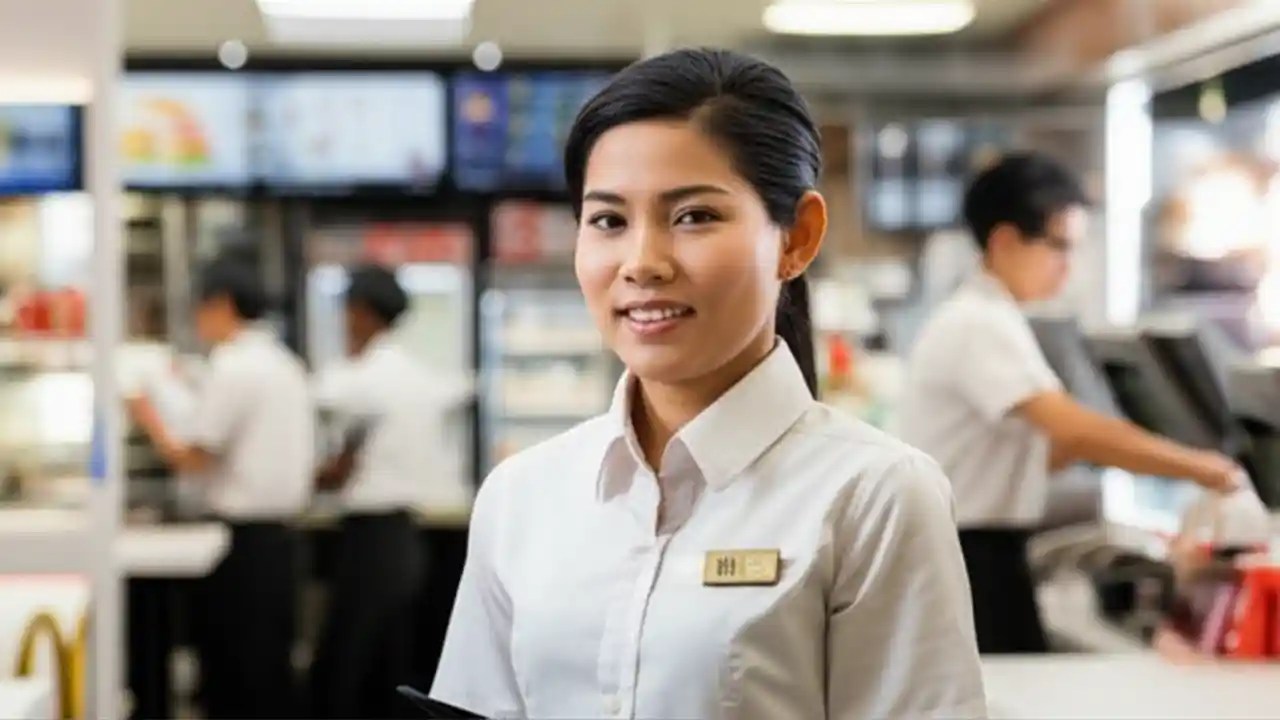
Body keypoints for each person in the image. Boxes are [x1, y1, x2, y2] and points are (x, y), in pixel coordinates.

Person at [430, 48, 986, 719]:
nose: (642, 263)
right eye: (608, 220)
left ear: (797, 237)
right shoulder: (522, 497)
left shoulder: (875, 497)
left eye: (693, 216)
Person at [899, 153, 1242, 655]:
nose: (1068, 267)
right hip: (973, 557)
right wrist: (1208, 470)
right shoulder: (979, 323)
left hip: (984, 552)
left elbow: (1056, 449)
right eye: (1059, 246)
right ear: (1006, 241)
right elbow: (1074, 431)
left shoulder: (993, 317)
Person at [129, 258, 313, 718]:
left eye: (200, 309)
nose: (197, 321)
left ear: (223, 306)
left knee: (235, 675)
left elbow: (193, 456)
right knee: (268, 671)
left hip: (242, 546)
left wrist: (144, 411)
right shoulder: (281, 362)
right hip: (281, 540)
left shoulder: (235, 367)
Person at [309, 265, 450, 718]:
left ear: (363, 313)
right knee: (389, 667)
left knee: (347, 668)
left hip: (372, 539)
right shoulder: (416, 374)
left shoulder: (362, 378)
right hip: (408, 537)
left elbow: (336, 467)